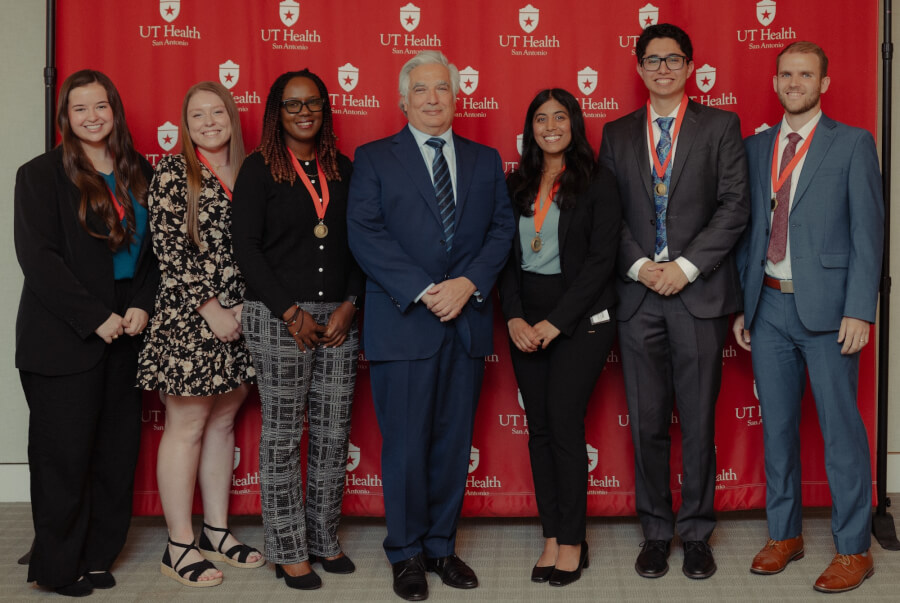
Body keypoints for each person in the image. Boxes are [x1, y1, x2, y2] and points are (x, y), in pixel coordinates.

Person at [347, 50, 514, 601]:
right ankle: (406, 553)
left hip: (465, 321)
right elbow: (366, 234)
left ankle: (442, 546)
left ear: (457, 95)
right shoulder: (373, 158)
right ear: (403, 99)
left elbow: (500, 230)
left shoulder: (486, 159)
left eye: (442, 88)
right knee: (405, 446)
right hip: (405, 322)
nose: (433, 99)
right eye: (421, 90)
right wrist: (425, 291)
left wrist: (467, 285)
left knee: (451, 443)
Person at [598, 23, 749, 580]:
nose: (663, 68)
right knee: (648, 422)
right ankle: (657, 531)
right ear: (639, 68)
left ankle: (697, 531)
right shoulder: (615, 134)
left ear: (690, 67)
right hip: (639, 297)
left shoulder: (720, 126)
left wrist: (683, 269)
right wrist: (642, 267)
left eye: (674, 59)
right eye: (653, 59)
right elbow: (605, 215)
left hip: (697, 295)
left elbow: (735, 206)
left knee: (700, 422)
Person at [733, 41, 883, 593]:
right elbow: (748, 234)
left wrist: (859, 310)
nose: (795, 83)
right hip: (768, 305)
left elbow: (870, 235)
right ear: (775, 83)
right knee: (777, 431)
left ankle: (852, 548)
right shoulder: (756, 147)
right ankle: (784, 534)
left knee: (841, 432)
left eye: (806, 74)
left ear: (824, 83)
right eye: (786, 74)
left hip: (829, 312)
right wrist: (744, 305)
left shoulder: (852, 144)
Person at [13, 69, 158, 597]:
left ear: (114, 111)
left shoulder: (138, 170)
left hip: (128, 330)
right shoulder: (40, 174)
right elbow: (40, 259)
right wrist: (95, 317)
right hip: (64, 334)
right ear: (65, 117)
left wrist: (142, 304)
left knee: (115, 454)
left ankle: (98, 555)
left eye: (101, 106)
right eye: (81, 109)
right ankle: (58, 567)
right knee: (64, 458)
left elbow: (154, 254)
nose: (93, 117)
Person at [232, 69, 363, 591]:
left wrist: (351, 304)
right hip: (278, 317)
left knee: (332, 434)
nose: (304, 112)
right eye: (292, 104)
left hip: (338, 319)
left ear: (325, 110)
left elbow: (362, 242)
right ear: (276, 113)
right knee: (284, 435)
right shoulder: (260, 169)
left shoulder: (345, 170)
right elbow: (247, 248)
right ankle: (287, 549)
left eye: (313, 103)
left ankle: (324, 538)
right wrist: (290, 311)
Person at [137, 81, 263, 587]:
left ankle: (216, 530)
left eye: (217, 112)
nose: (209, 122)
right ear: (186, 127)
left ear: (232, 116)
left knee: (223, 421)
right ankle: (178, 544)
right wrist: (211, 308)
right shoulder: (173, 171)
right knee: (186, 427)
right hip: (192, 318)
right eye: (197, 116)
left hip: (244, 317)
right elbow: (168, 247)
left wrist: (241, 310)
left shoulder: (252, 171)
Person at [498, 88, 620, 587]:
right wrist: (513, 318)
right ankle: (551, 533)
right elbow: (502, 257)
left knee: (565, 425)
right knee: (541, 429)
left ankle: (573, 540)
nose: (551, 125)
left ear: (575, 123)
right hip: (526, 316)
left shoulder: (599, 181)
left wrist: (557, 322)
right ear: (530, 128)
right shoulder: (515, 183)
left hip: (581, 319)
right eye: (541, 118)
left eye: (561, 116)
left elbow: (600, 264)